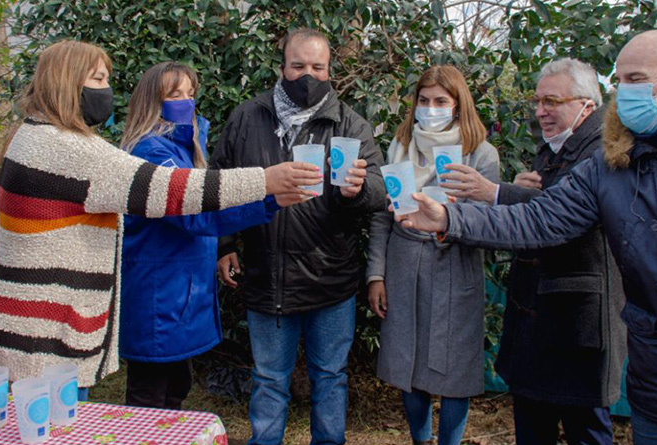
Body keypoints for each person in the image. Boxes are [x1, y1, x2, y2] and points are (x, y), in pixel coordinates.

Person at [393, 30, 657, 443]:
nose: (622, 93)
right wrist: (448, 218)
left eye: (635, 80)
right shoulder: (609, 164)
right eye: (619, 81)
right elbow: (538, 220)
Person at [0, 40, 320, 397]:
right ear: (68, 83)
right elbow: (177, 193)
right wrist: (265, 182)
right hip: (43, 331)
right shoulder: (75, 151)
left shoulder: (33, 137)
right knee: (59, 427)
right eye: (98, 79)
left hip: (30, 320)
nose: (106, 90)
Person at [436, 58, 626, 444]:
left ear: (586, 104)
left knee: (586, 429)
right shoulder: (556, 146)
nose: (541, 111)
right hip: (538, 323)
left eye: (552, 102)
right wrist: (519, 193)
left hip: (577, 329)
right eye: (538, 101)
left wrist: (495, 194)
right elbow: (543, 204)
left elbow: (558, 219)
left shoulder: (602, 152)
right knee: (533, 424)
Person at [209, 28, 385, 445]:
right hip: (267, 275)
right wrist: (225, 244)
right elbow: (220, 184)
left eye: (317, 67)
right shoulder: (248, 117)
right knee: (269, 379)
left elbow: (381, 190)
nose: (308, 75)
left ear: (330, 70)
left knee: (331, 377)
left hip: (331, 278)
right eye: (299, 66)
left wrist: (356, 192)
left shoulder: (350, 124)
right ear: (282, 67)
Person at [118, 62, 290, 409]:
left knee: (174, 388)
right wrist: (265, 194)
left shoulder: (183, 148)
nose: (186, 102)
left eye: (190, 94)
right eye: (174, 94)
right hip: (159, 295)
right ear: (152, 101)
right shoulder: (151, 153)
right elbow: (194, 213)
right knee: (151, 395)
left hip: (177, 293)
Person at [365, 65, 499, 445]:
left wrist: (460, 212)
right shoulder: (398, 147)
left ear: (458, 105)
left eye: (441, 101)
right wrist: (376, 274)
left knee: (455, 370)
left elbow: (493, 224)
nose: (431, 108)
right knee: (407, 363)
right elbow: (380, 216)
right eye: (424, 100)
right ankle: (420, 440)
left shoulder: (481, 155)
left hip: (456, 269)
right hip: (405, 265)